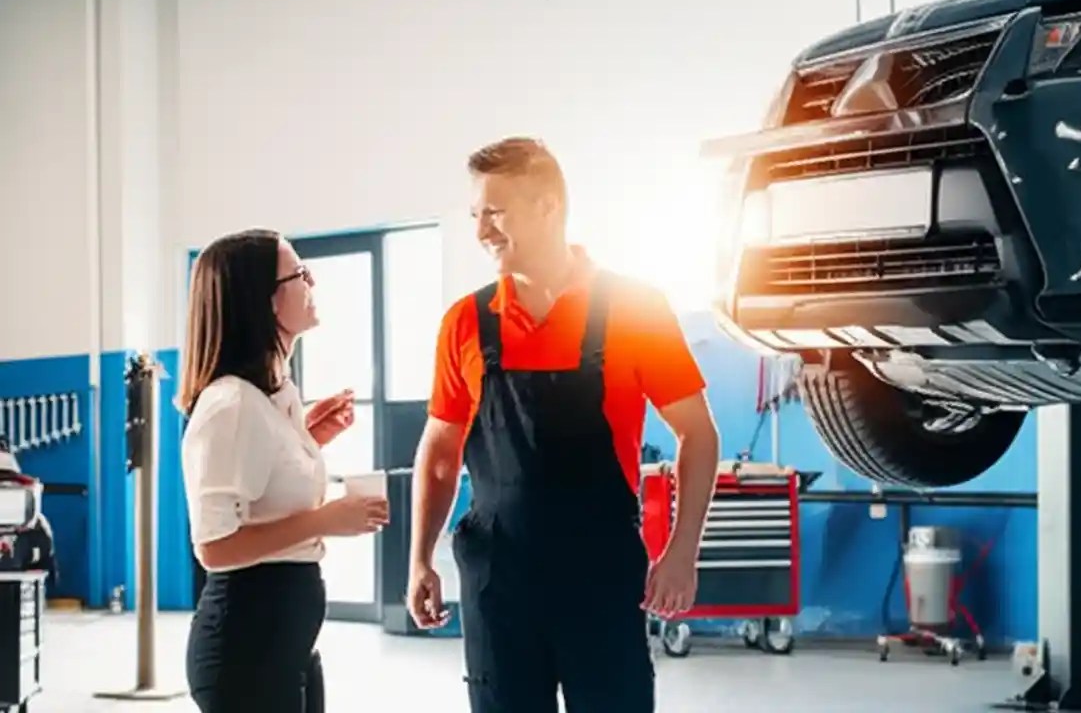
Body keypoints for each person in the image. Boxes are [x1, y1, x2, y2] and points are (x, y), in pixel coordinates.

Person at [405, 137, 721, 712]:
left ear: (548, 206)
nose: (482, 232)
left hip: (600, 573)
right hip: (499, 578)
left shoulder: (634, 307)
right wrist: (420, 557)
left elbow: (698, 433)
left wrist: (682, 550)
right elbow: (442, 449)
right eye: (476, 215)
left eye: (495, 213)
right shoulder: (465, 322)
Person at [177, 228, 390, 713]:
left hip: (285, 641)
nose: (312, 281)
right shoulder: (230, 405)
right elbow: (215, 546)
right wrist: (327, 520)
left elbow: (263, 488)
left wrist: (308, 439)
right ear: (267, 302)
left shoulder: (276, 394)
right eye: (299, 273)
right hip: (245, 650)